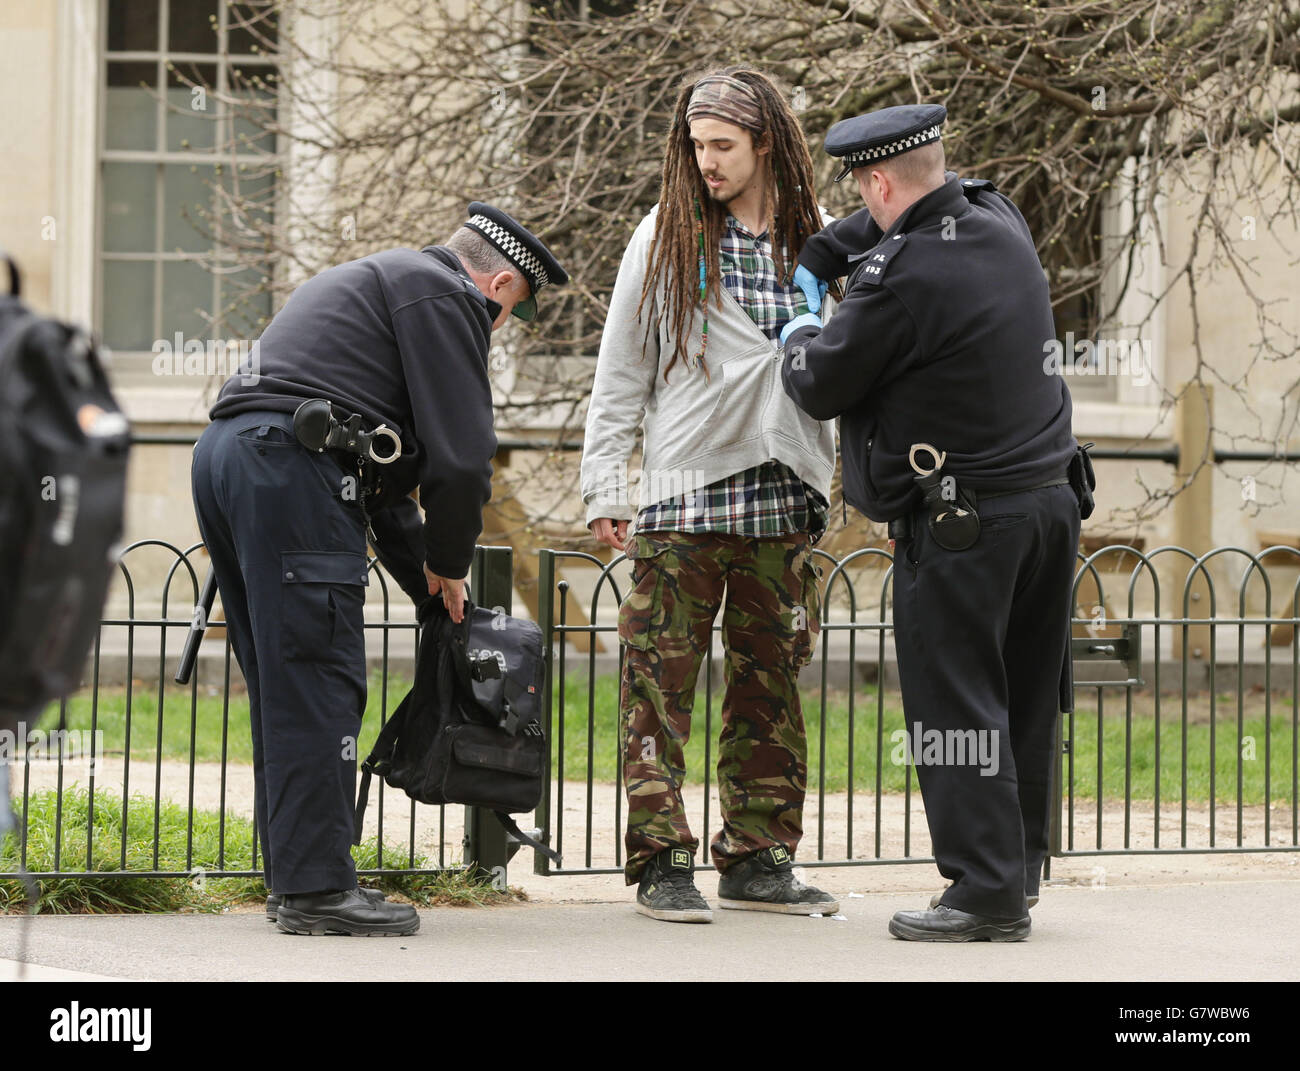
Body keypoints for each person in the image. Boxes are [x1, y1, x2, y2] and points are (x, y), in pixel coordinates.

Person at [192, 204, 567, 936]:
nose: (495, 328)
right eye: (507, 312)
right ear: (497, 284)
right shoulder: (449, 298)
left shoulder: (381, 279)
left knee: (285, 679)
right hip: (292, 468)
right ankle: (319, 890)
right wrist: (453, 557)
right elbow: (461, 462)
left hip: (234, 458)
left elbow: (381, 474)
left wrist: (432, 578)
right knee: (321, 676)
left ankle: (294, 878)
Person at [780, 104, 1082, 942]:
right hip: (1050, 504)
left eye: (866, 194)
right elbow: (900, 218)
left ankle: (982, 891)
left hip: (965, 524)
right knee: (1022, 694)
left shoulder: (901, 281)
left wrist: (801, 320)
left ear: (878, 181)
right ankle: (1014, 870)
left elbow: (819, 381)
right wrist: (830, 248)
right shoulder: (996, 217)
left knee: (955, 705)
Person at [580, 67, 840, 923]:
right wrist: (603, 484)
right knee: (658, 688)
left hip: (783, 498)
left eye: (722, 146)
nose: (706, 162)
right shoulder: (665, 234)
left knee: (770, 687)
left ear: (765, 144)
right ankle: (661, 860)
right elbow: (621, 369)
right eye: (695, 147)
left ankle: (759, 856)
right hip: (683, 501)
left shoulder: (817, 239)